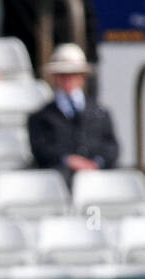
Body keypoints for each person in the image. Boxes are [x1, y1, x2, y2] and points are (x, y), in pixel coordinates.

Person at [28, 44, 118, 187]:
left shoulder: (100, 113)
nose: (69, 79)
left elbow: (112, 148)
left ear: (82, 77)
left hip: (99, 179)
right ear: (55, 77)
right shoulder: (40, 117)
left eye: (74, 74)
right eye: (63, 75)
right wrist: (68, 160)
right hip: (60, 181)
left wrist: (95, 164)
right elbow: (41, 150)